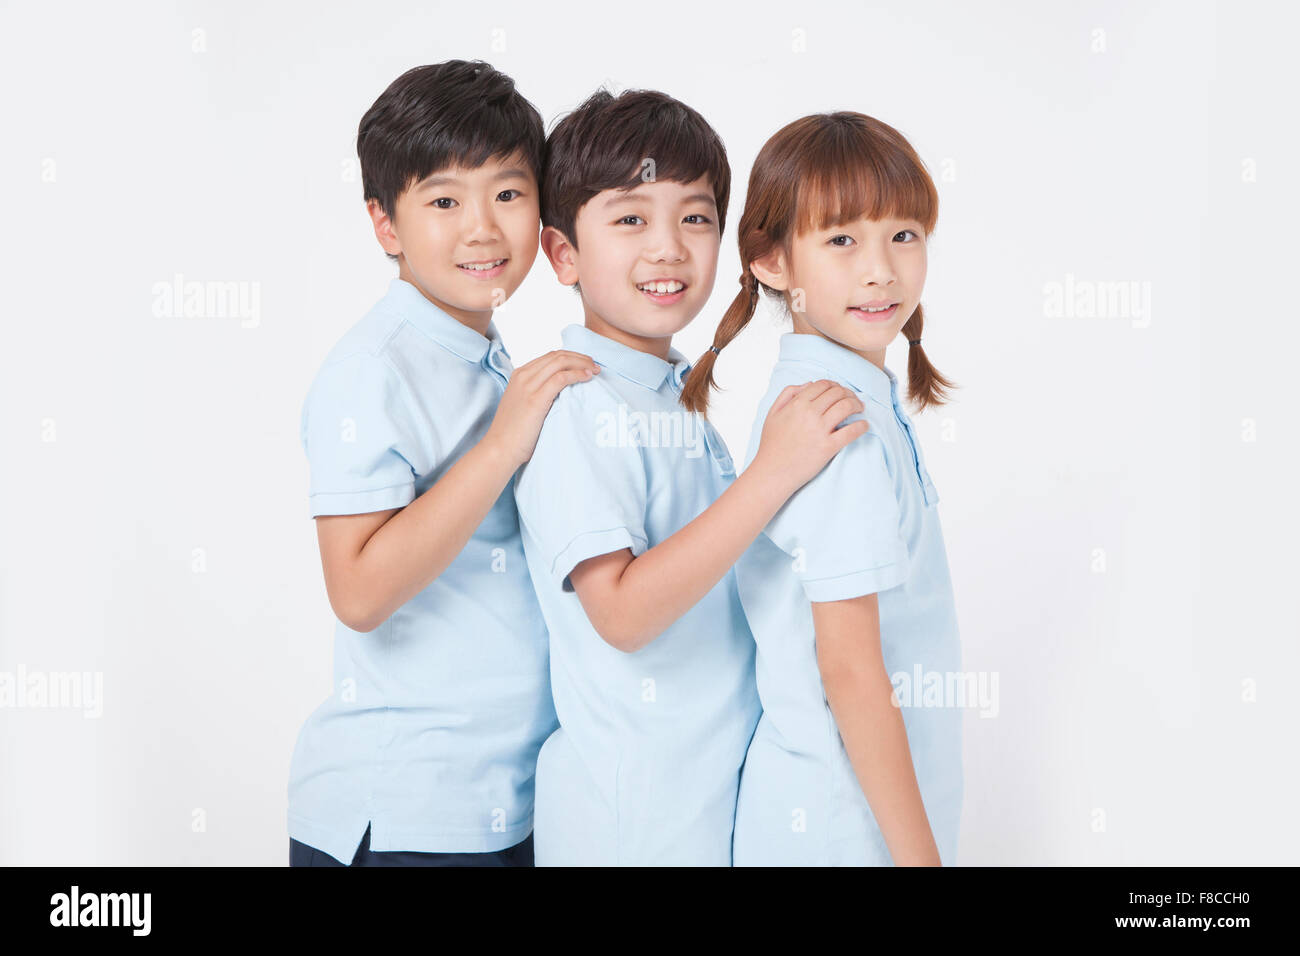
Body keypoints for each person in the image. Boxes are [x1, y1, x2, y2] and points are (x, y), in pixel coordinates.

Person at [513, 89, 869, 865]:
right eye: (631, 218)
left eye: (696, 217)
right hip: (630, 828)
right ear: (563, 252)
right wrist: (769, 477)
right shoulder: (578, 408)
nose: (669, 247)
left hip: (704, 813)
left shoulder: (671, 401)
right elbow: (623, 614)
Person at [287, 60, 597, 867]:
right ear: (386, 225)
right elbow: (357, 591)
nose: (482, 228)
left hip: (503, 802)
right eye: (444, 200)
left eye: (507, 193)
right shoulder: (373, 368)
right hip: (406, 812)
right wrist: (500, 447)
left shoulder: (481, 352)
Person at [681, 111, 963, 866]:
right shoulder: (835, 426)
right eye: (842, 240)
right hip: (839, 831)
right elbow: (849, 670)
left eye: (903, 234)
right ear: (772, 261)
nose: (881, 269)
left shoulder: (847, 395)